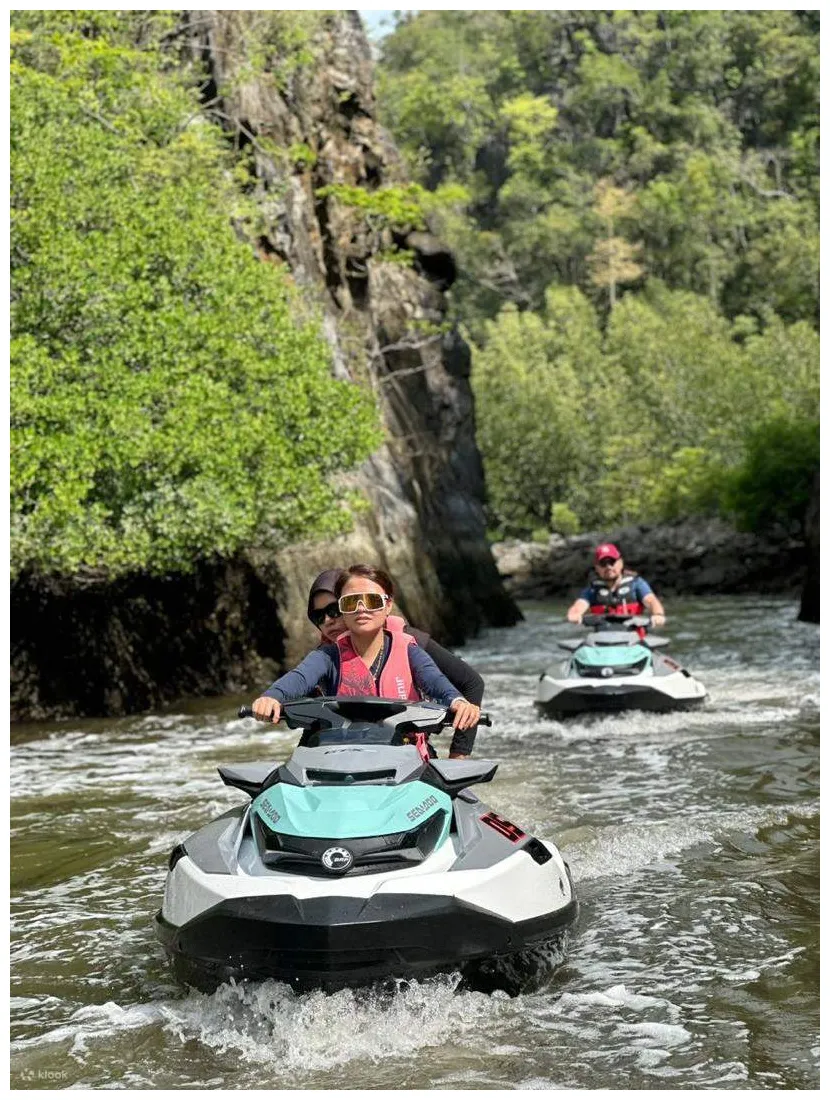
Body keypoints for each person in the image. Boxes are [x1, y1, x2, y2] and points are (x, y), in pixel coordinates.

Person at [251, 564, 482, 751]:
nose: (361, 609)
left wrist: (458, 703)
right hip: (341, 761)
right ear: (344, 609)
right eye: (351, 603)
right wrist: (271, 697)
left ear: (387, 605)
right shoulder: (326, 656)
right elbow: (298, 678)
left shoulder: (410, 648)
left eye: (371, 601)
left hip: (405, 759)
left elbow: (437, 682)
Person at [566, 542, 666, 627]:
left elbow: (651, 601)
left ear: (620, 563)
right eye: (603, 563)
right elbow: (579, 605)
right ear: (597, 568)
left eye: (612, 562)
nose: (608, 567)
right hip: (601, 643)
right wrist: (574, 614)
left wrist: (658, 614)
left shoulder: (636, 584)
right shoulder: (592, 590)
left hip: (634, 642)